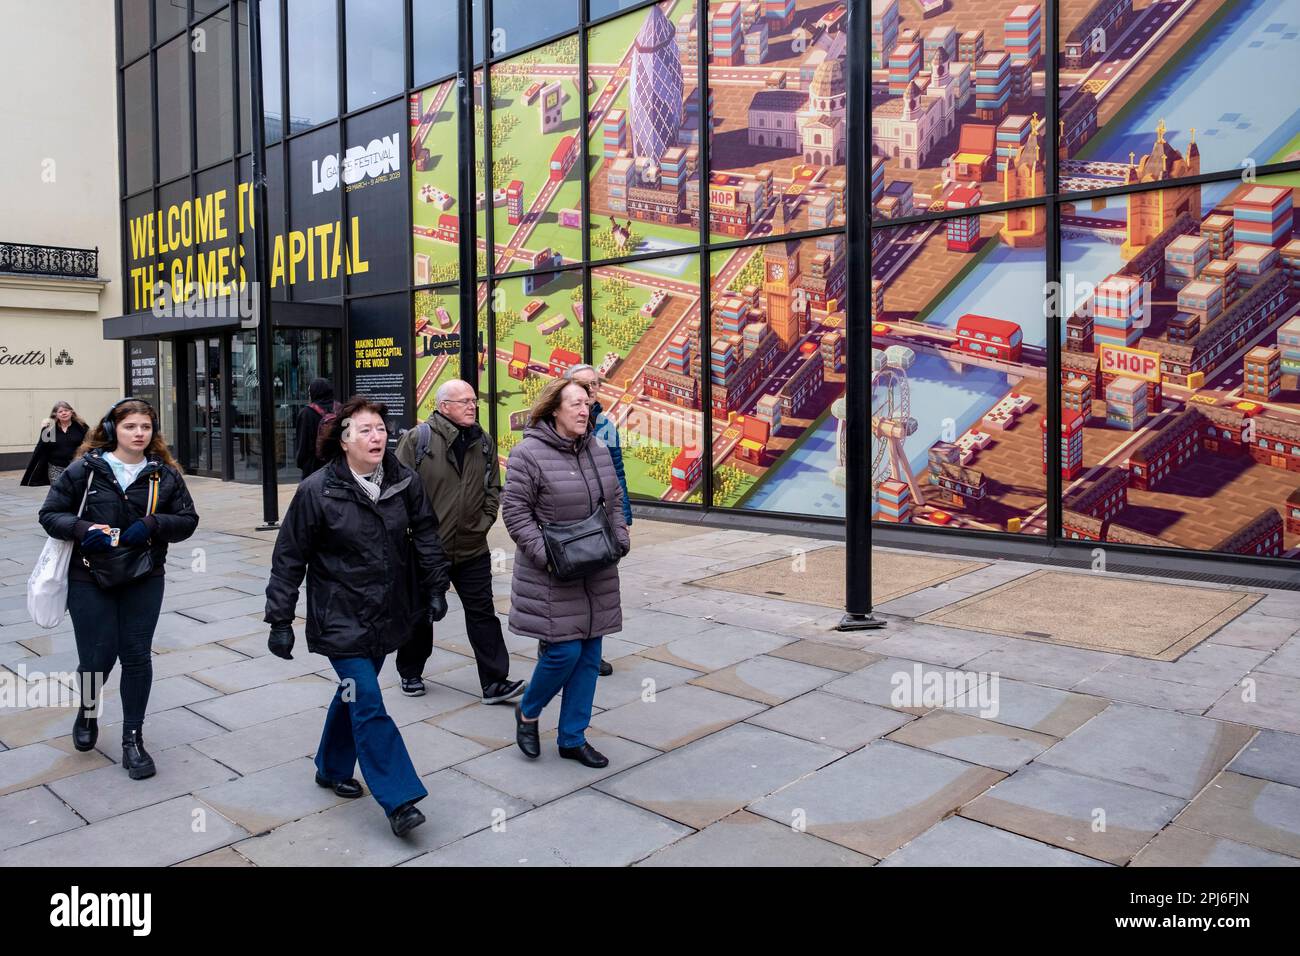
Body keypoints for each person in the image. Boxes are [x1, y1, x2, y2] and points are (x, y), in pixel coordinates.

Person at [264, 396, 451, 837]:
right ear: (344, 441)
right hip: (340, 616)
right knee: (368, 700)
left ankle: (330, 767)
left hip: (387, 613)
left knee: (353, 694)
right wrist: (279, 620)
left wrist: (436, 586)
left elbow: (425, 532)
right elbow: (289, 556)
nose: (377, 436)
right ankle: (399, 798)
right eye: (365, 430)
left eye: (381, 429)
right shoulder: (317, 490)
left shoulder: (403, 480)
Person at [37, 398, 199, 779]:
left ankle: (132, 738)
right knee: (96, 658)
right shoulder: (85, 470)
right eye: (130, 427)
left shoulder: (164, 474)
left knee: (137, 656)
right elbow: (49, 514)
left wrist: (156, 523)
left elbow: (188, 519)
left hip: (144, 575)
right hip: (89, 575)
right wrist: (82, 530)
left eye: (145, 427)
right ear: (112, 430)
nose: (139, 433)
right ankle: (88, 711)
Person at [501, 378, 630, 769]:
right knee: (563, 652)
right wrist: (547, 556)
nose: (583, 410)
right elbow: (515, 513)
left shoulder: (597, 448)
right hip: (553, 573)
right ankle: (529, 709)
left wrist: (620, 537)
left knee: (590, 655)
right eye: (574, 403)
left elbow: (615, 499)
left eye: (586, 403)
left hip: (598, 568)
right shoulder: (528, 453)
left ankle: (572, 737)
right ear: (554, 409)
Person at [394, 379, 525, 703]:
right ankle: (410, 671)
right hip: (426, 549)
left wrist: (483, 523)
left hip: (471, 546)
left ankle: (494, 682)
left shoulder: (483, 441)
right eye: (463, 401)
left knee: (482, 613)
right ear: (444, 407)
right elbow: (396, 490)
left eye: (473, 400)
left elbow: (493, 487)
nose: (472, 405)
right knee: (421, 613)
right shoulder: (418, 439)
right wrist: (413, 534)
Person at [564, 364, 632, 678]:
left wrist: (624, 518)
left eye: (594, 384)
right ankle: (558, 644)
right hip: (567, 524)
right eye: (583, 384)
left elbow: (617, 475)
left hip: (601, 524)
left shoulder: (605, 426)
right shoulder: (553, 424)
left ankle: (593, 651)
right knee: (566, 592)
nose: (591, 390)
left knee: (599, 590)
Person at [21, 401, 89, 487]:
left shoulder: (80, 427)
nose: (64, 413)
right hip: (56, 467)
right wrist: (33, 466)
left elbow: (89, 444)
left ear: (71, 412)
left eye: (66, 410)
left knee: (75, 491)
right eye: (60, 412)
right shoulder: (50, 429)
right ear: (55, 415)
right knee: (58, 491)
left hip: (76, 466)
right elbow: (41, 447)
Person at [294, 378, 337, 480]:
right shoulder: (341, 409)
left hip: (314, 467)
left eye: (310, 391)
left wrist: (301, 463)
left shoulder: (306, 413)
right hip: (337, 465)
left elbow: (303, 444)